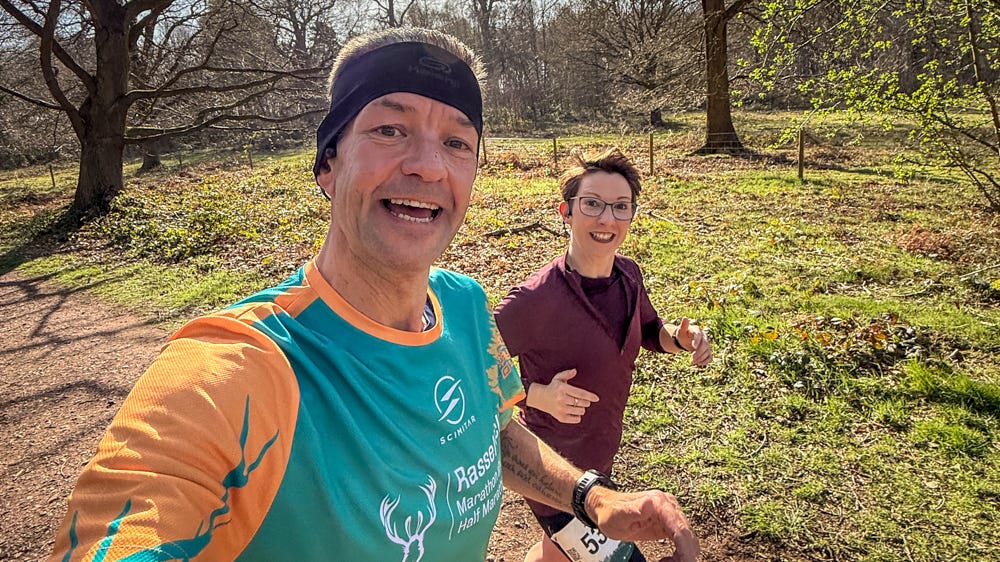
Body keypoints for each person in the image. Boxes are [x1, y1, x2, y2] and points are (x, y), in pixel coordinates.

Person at [48, 28, 699, 562]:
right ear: (328, 163)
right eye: (390, 130)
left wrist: (592, 498)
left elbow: (494, 430)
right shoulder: (238, 369)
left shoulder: (465, 307)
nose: (428, 165)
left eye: (457, 142)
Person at [494, 148, 713, 562]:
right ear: (566, 212)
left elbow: (650, 329)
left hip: (600, 450)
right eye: (592, 204)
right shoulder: (536, 298)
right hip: (549, 468)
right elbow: (472, 368)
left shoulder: (628, 274)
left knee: (558, 553)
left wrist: (678, 338)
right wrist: (536, 394)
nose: (607, 219)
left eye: (620, 207)